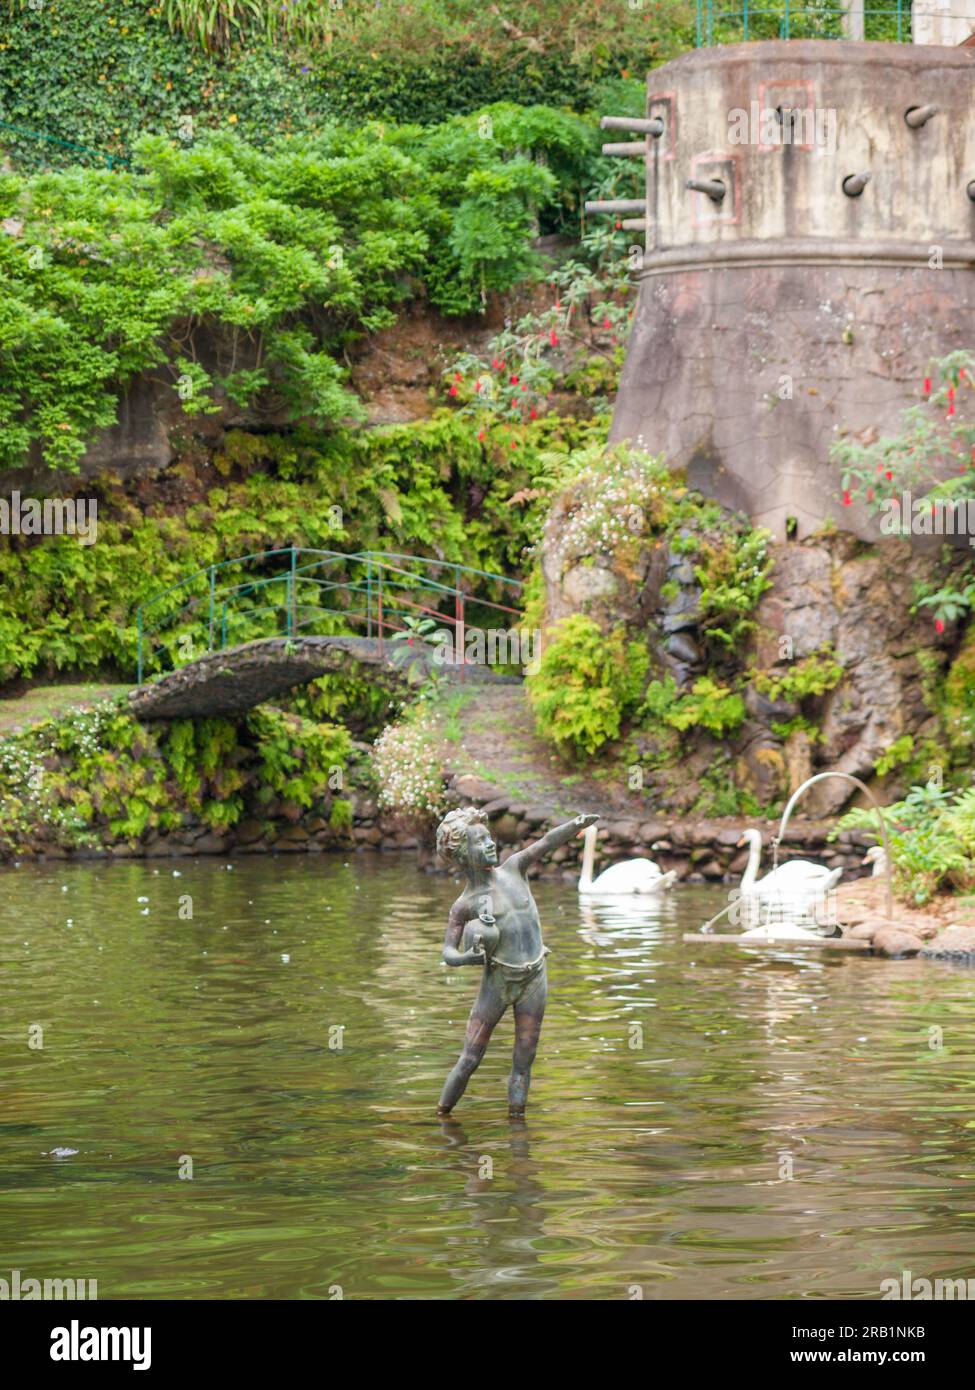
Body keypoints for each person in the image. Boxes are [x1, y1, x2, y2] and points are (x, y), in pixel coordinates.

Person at [435, 806, 599, 1116]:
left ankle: (517, 1127)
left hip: (534, 978)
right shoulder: (465, 905)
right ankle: (441, 1116)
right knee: (470, 1058)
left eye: (490, 838)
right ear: (462, 856)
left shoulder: (515, 868)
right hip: (497, 983)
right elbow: (448, 952)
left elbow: (545, 843)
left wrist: (573, 826)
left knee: (525, 1058)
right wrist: (468, 958)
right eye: (481, 841)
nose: (490, 844)